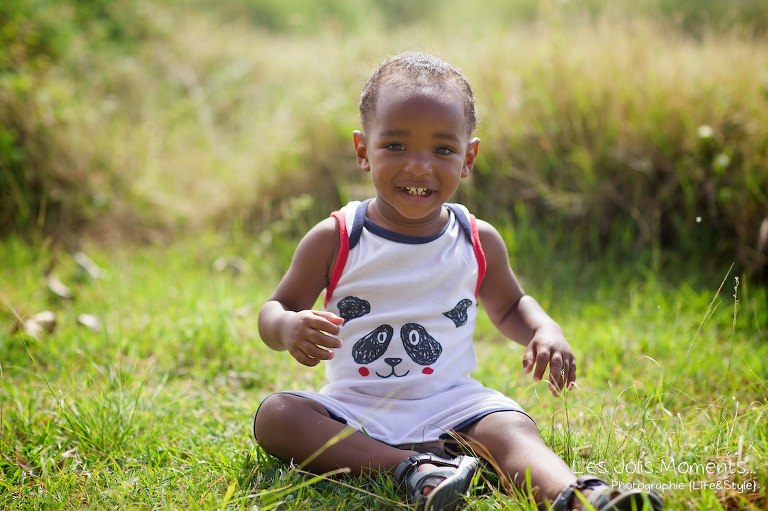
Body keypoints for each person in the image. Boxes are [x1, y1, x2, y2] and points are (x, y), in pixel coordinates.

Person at [253, 52, 663, 511]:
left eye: (443, 150)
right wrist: (287, 328)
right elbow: (276, 307)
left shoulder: (475, 238)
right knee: (278, 416)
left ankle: (581, 497)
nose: (419, 167)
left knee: (511, 427)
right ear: (363, 151)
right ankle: (412, 469)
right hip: (356, 408)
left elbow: (510, 306)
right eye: (396, 146)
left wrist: (546, 330)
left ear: (468, 158)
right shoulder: (338, 236)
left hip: (452, 407)